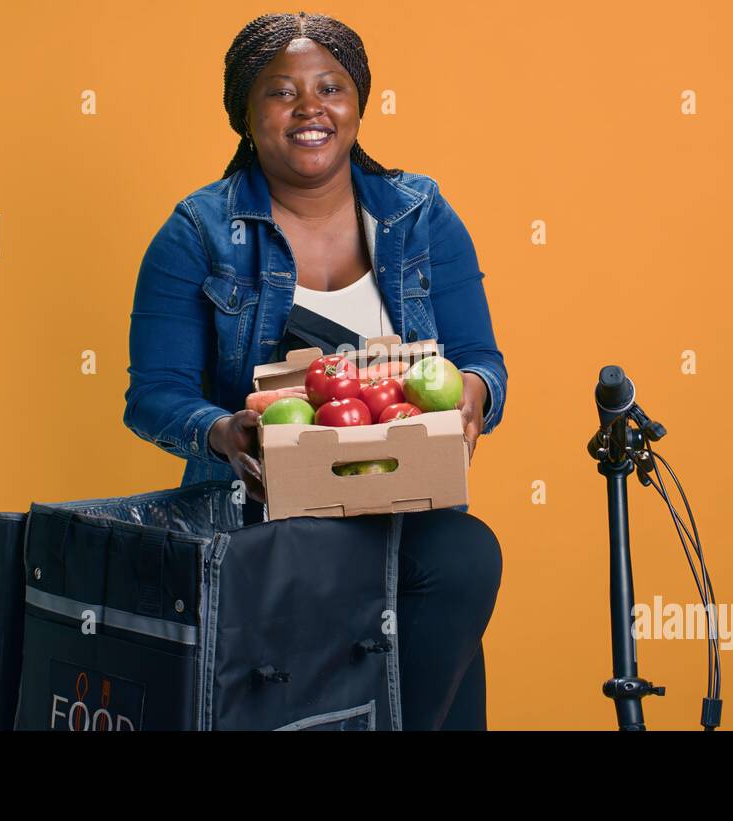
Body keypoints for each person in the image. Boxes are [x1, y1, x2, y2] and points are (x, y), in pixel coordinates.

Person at [123, 11, 507, 730]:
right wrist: (225, 433)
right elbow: (152, 396)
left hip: (404, 511)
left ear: (359, 102)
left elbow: (481, 359)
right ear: (245, 111)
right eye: (281, 92)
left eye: (331, 87)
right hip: (261, 519)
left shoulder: (421, 216)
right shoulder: (197, 233)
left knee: (463, 556)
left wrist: (474, 398)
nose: (310, 108)